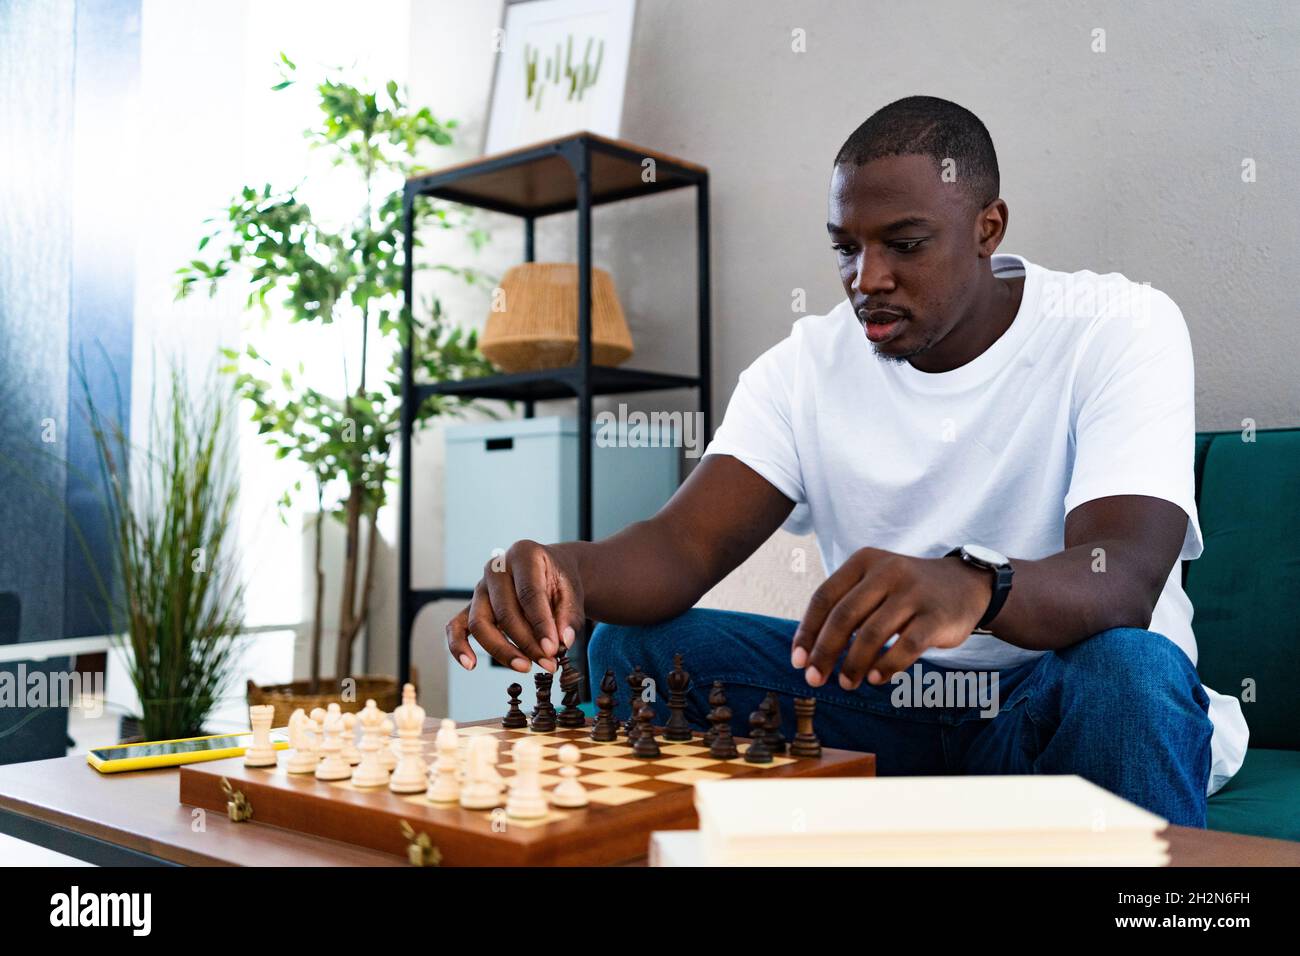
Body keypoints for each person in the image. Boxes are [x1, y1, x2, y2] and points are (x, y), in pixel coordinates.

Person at [444, 95, 1247, 828]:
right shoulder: (804, 368)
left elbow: (1124, 575)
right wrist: (564, 571)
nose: (867, 280)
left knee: (1131, 673)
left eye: (903, 244)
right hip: (883, 705)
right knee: (629, 647)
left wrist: (974, 582)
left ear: (988, 227)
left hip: (1050, 705)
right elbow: (681, 546)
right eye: (845, 248)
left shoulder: (1116, 326)